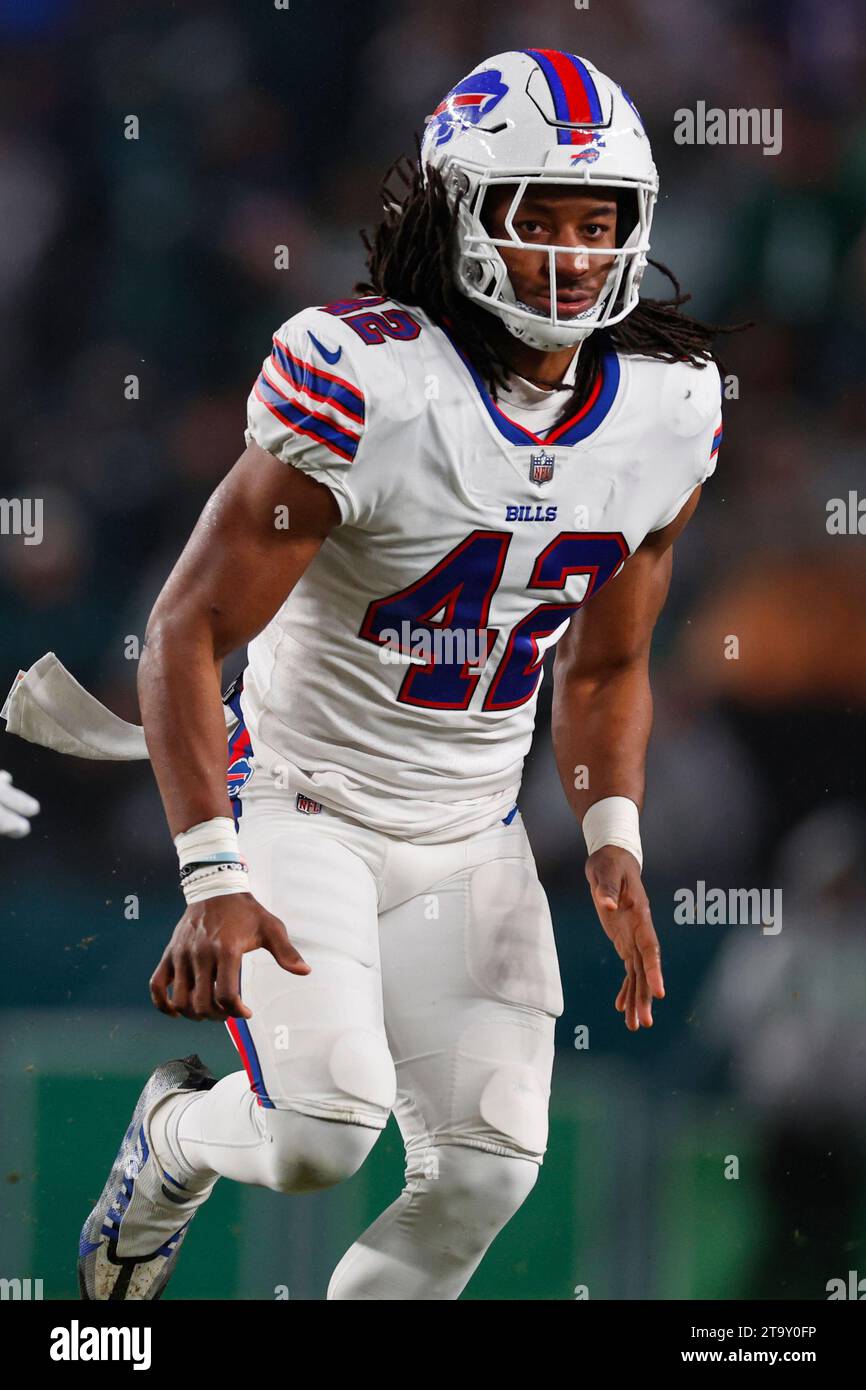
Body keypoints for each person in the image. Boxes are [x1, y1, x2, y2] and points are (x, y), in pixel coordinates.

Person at [79, 49, 728, 1302]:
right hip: (302, 801)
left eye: (596, 223)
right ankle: (169, 1141)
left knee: (485, 1173)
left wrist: (610, 834)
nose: (568, 254)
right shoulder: (369, 381)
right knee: (323, 1137)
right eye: (532, 216)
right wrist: (210, 870)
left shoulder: (666, 409)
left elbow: (607, 661)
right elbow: (182, 631)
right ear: (455, 212)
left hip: (471, 829)